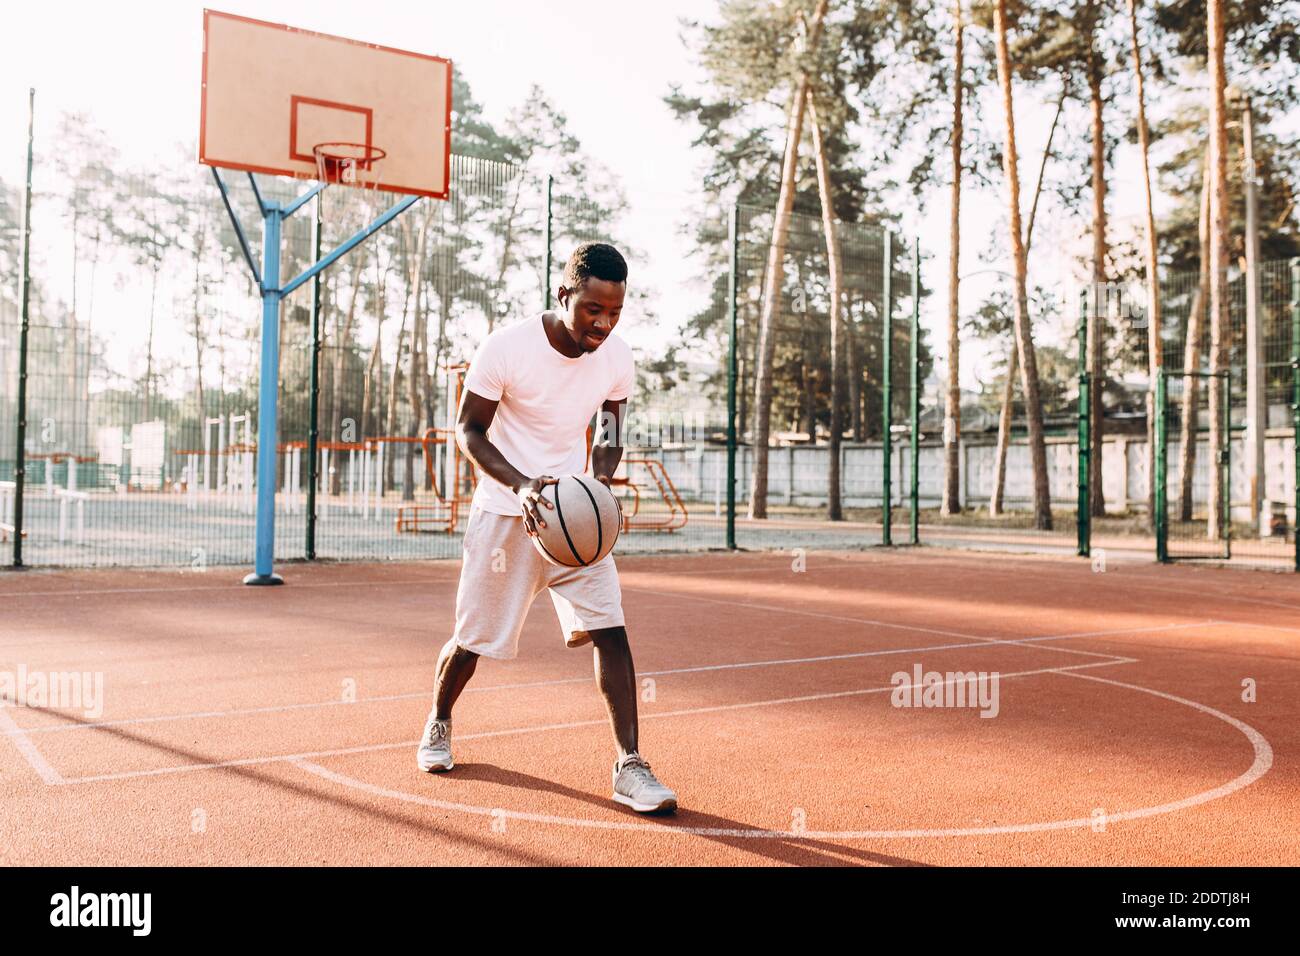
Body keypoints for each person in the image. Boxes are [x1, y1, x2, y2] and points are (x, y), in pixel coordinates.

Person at [416, 242, 678, 814]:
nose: (604, 324)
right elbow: (469, 431)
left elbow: (609, 430)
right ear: (565, 296)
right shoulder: (507, 348)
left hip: (573, 516)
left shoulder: (616, 357)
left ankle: (629, 765)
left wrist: (600, 485)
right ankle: (439, 720)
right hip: (508, 512)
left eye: (615, 313)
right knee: (472, 640)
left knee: (611, 629)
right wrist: (522, 484)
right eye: (593, 310)